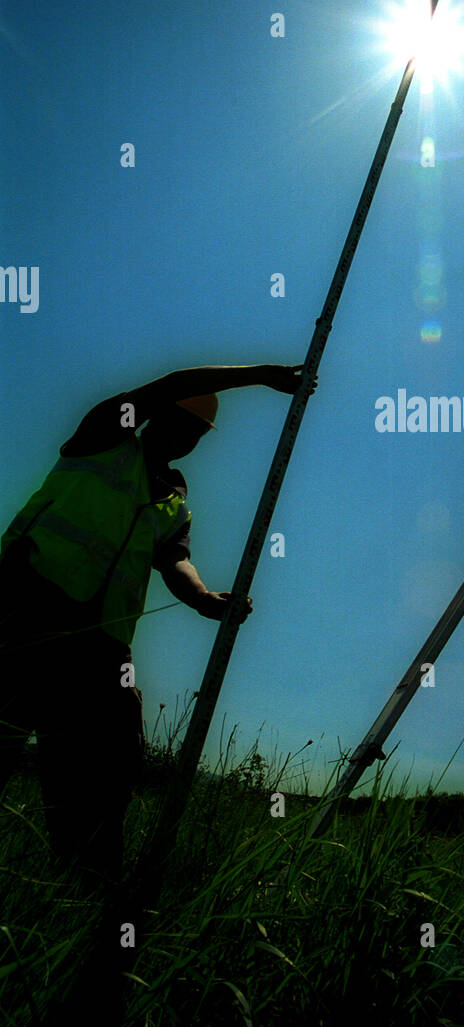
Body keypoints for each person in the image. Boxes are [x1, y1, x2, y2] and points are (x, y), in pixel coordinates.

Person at [0, 362, 311, 889]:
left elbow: (174, 562)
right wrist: (261, 375)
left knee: (102, 769)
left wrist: (203, 599)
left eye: (195, 433)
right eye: (178, 422)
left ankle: (81, 892)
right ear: (153, 417)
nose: (184, 437)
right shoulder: (102, 437)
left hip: (101, 648)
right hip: (25, 618)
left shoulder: (174, 500)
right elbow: (169, 385)